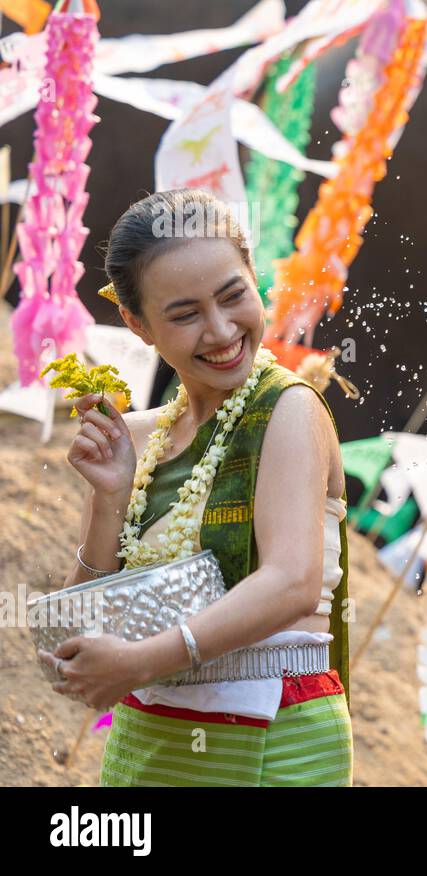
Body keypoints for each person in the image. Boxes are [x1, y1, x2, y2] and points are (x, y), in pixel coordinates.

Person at [39, 188, 353, 787]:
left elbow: (291, 584)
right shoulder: (136, 439)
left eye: (233, 296)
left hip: (273, 736)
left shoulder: (288, 410)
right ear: (137, 324)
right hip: (149, 742)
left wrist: (139, 661)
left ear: (255, 276)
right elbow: (77, 631)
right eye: (184, 314)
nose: (220, 330)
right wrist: (110, 501)